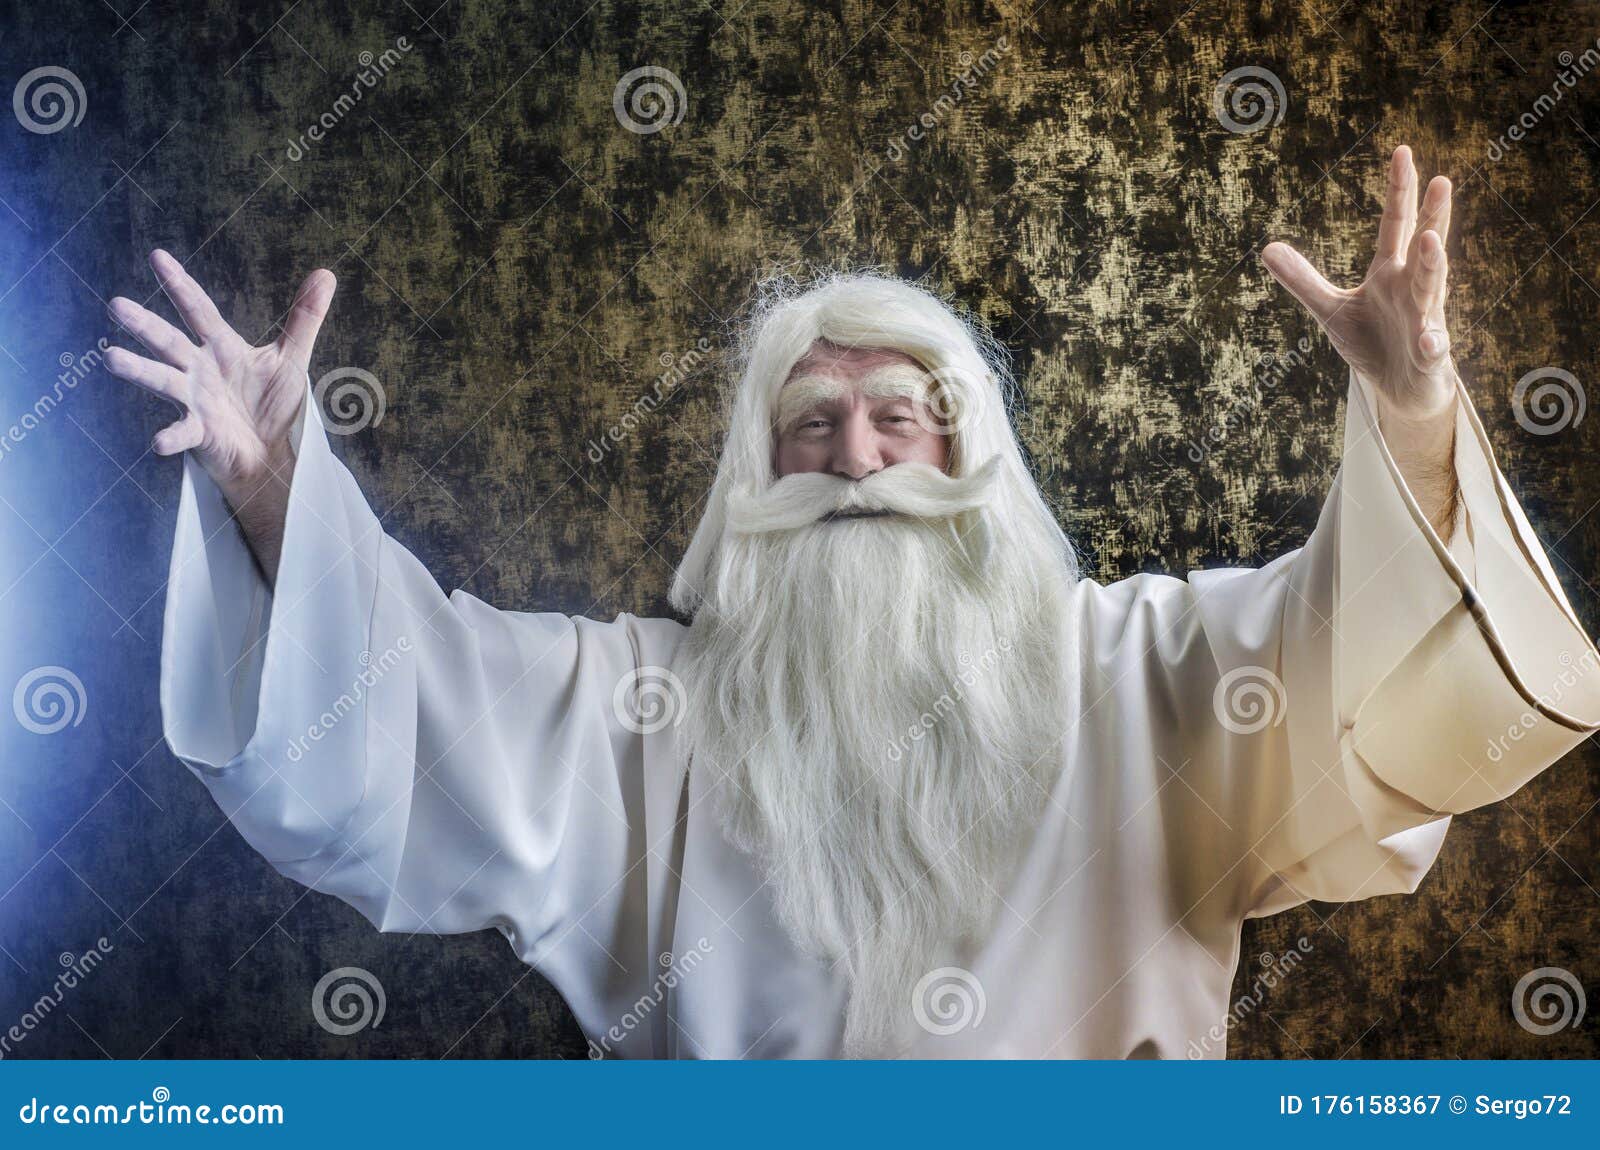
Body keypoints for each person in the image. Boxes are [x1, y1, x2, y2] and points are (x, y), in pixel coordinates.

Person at [112, 144, 1597, 1058]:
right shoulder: (644, 719)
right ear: (754, 489)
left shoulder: (1147, 672)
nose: (859, 460)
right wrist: (277, 481)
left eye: (903, 417)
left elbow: (1373, 683)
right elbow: (406, 704)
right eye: (809, 430)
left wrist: (1413, 415)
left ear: (976, 455)